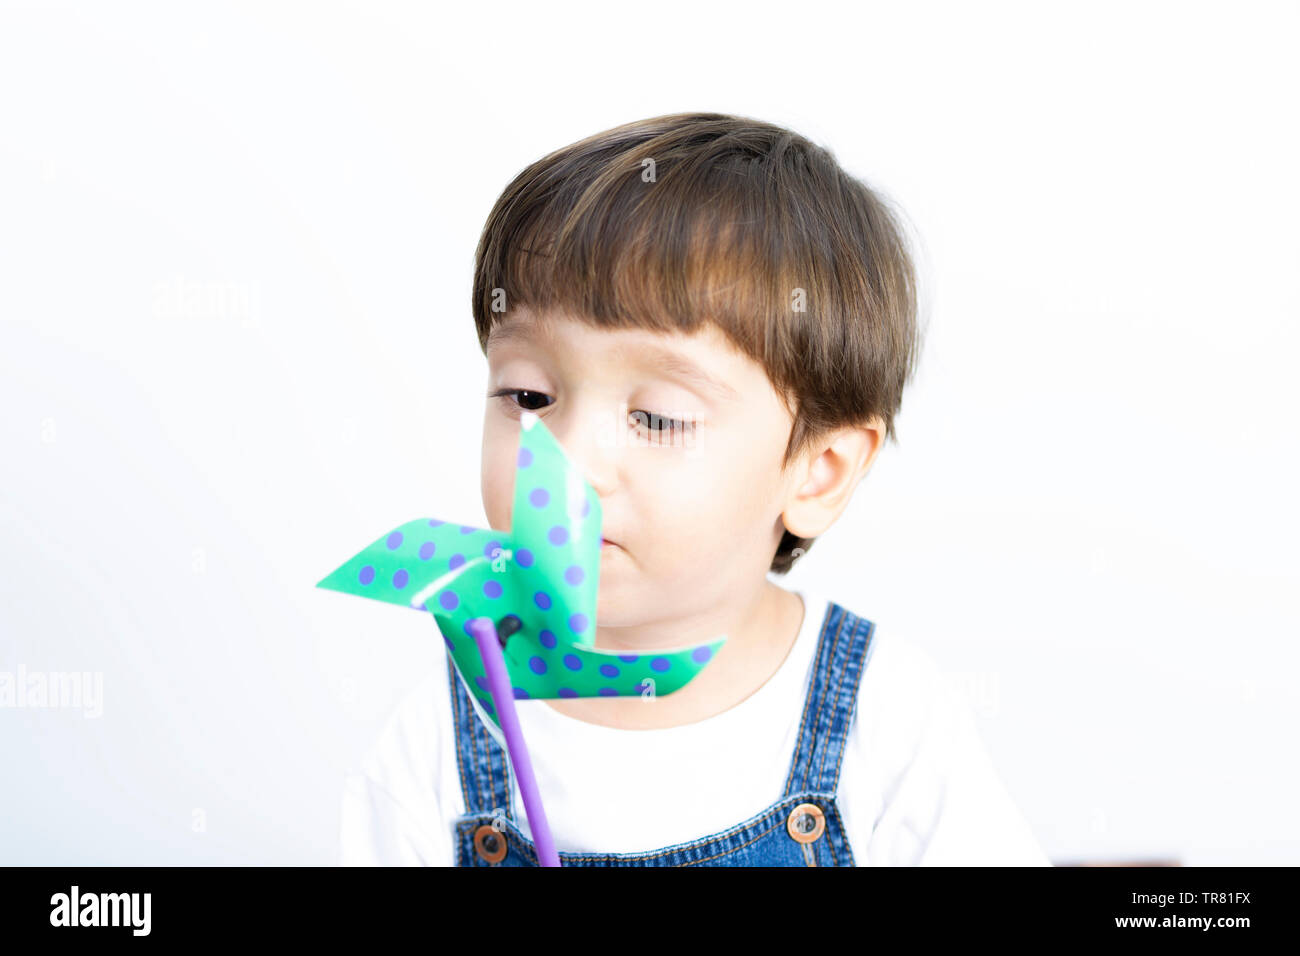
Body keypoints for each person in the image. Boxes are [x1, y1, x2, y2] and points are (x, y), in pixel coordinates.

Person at [338, 112, 1050, 866]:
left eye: (656, 416)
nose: (567, 458)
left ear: (820, 471)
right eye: (530, 397)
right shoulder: (438, 747)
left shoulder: (887, 718)